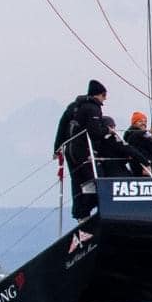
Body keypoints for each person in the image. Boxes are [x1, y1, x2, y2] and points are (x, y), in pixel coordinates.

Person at [53, 79, 108, 217]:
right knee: (97, 180)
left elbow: (62, 125)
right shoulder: (93, 108)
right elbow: (95, 132)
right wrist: (107, 131)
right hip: (83, 150)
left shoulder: (74, 106)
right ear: (98, 94)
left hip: (70, 151)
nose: (105, 99)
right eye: (104, 96)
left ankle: (80, 215)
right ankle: (101, 208)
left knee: (77, 182)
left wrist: (57, 147)